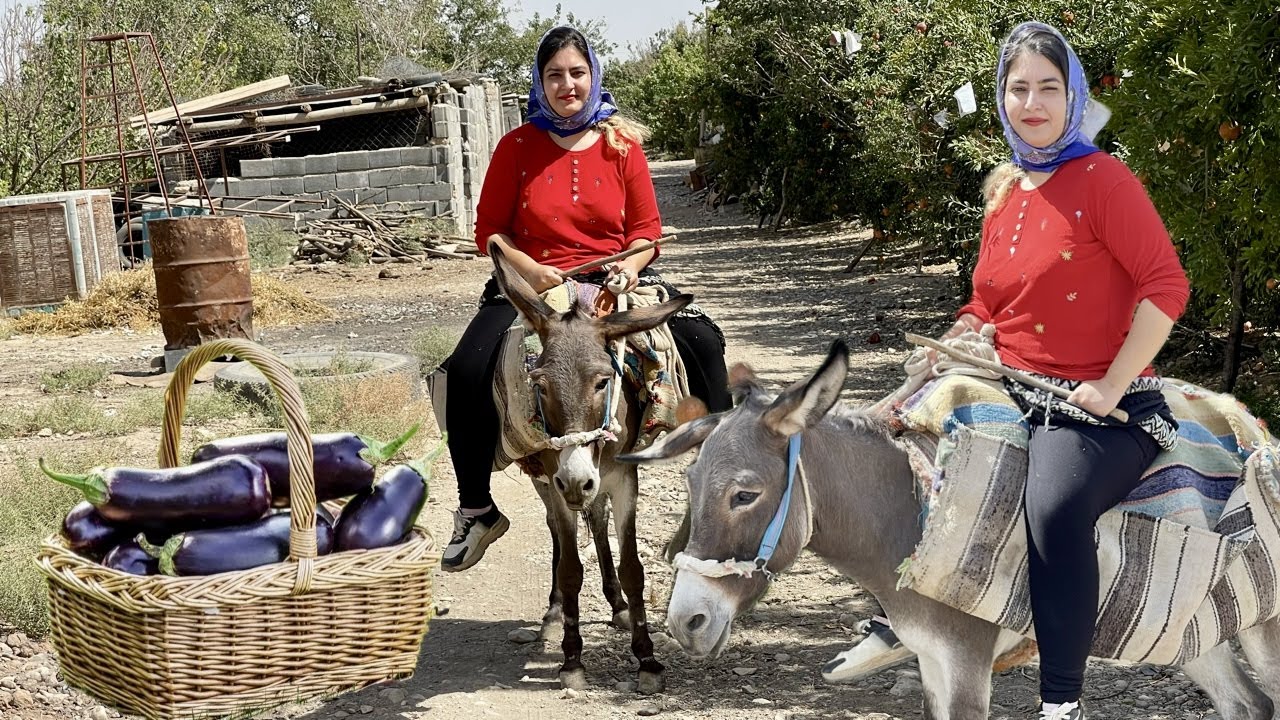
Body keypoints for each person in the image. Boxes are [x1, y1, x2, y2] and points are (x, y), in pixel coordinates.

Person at [827, 22, 1190, 720]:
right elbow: (988, 300)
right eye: (1018, 88)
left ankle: (1063, 702)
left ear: (1073, 95)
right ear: (1000, 98)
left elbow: (1165, 287)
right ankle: (905, 613)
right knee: (899, 455)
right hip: (1009, 382)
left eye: (1048, 88)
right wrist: (959, 337)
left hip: (1096, 399)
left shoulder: (1105, 180)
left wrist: (1111, 384)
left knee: (1053, 507)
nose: (1032, 103)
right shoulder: (1007, 192)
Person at [439, 25, 733, 573]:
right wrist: (535, 271)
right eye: (555, 75)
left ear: (593, 75)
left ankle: (722, 489)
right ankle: (476, 509)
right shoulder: (515, 147)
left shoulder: (621, 145)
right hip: (530, 286)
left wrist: (629, 264)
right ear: (539, 82)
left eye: (577, 73)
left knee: (702, 341)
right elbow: (491, 233)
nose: (567, 85)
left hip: (612, 280)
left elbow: (646, 230)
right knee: (465, 367)